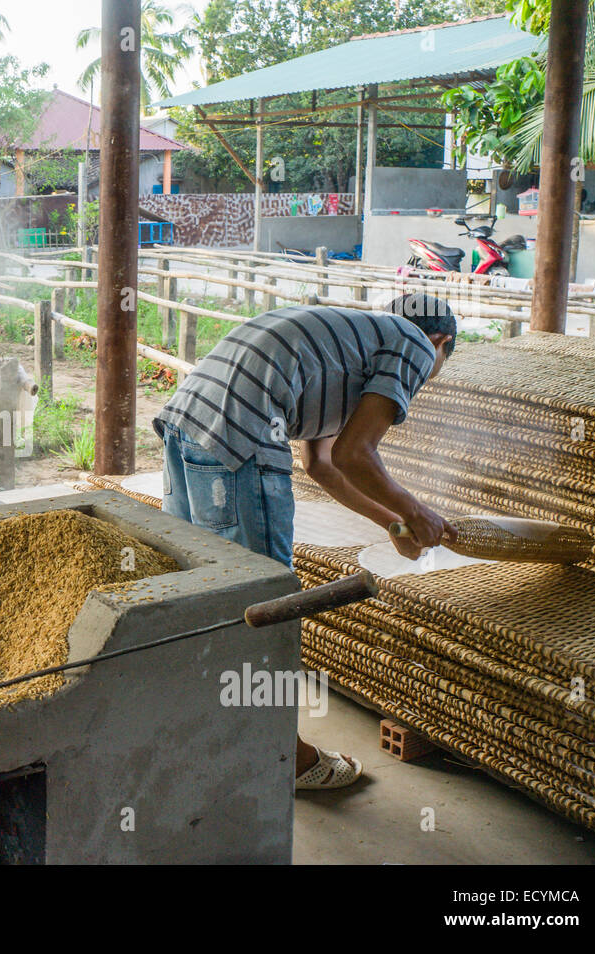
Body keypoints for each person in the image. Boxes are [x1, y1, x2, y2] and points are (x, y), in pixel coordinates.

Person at [153, 293, 458, 790]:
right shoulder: (416, 343)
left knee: (209, 591)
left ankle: (198, 731)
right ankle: (283, 757)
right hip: (242, 436)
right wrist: (414, 510)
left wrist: (394, 525)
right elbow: (357, 454)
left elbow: (323, 466)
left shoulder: (350, 340)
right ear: (442, 341)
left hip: (188, 423)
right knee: (268, 603)